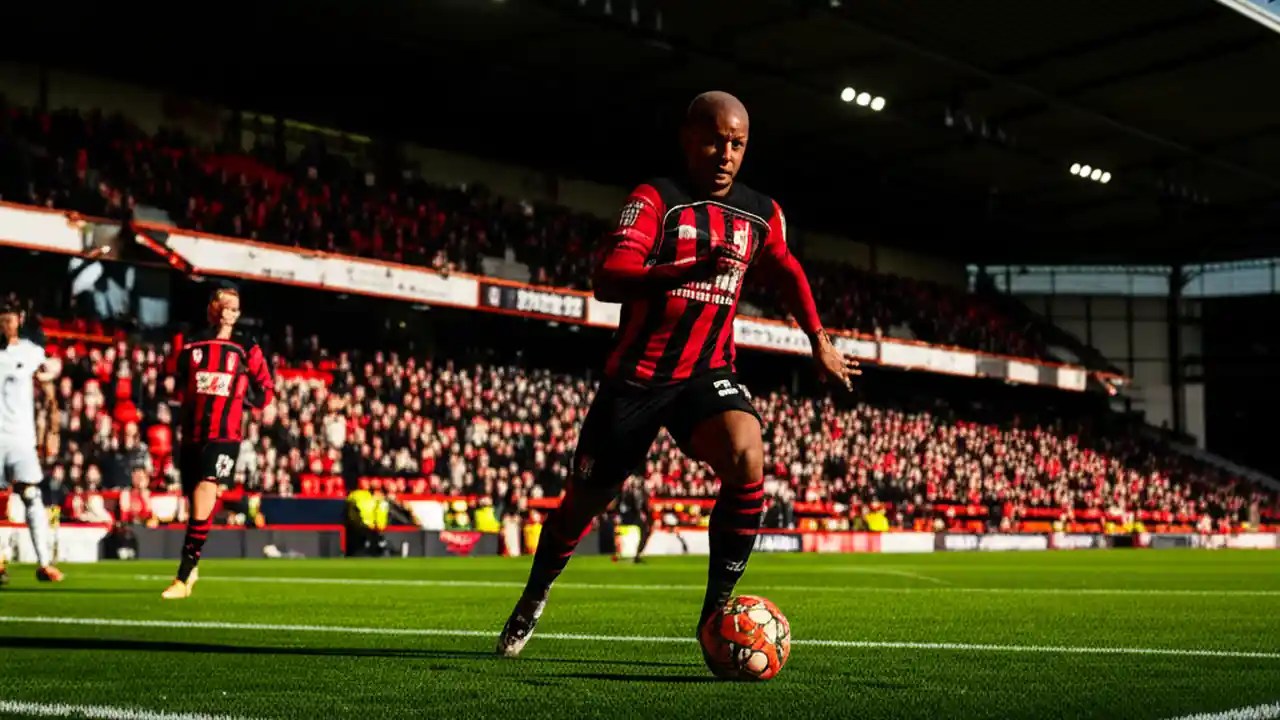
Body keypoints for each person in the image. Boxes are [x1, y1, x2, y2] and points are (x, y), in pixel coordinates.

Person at [497, 91, 860, 656]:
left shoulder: (761, 213)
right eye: (715, 141)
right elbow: (609, 279)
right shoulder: (656, 200)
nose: (726, 154)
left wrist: (819, 340)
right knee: (580, 508)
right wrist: (688, 268)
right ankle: (534, 596)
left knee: (747, 453)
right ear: (688, 138)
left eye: (737, 144)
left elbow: (787, 270)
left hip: (706, 372)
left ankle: (716, 614)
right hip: (635, 381)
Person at [161, 287, 274, 599]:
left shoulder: (246, 345)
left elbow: (265, 387)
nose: (230, 312)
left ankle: (184, 573)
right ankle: (193, 565)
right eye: (225, 306)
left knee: (206, 488)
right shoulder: (192, 344)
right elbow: (175, 381)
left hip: (224, 433)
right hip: (192, 432)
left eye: (235, 308)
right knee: (195, 500)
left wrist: (244, 402)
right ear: (213, 308)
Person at [0, 300, 64, 585]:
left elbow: (49, 393)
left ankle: (45, 563)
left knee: (31, 494)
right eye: (2, 319)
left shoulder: (30, 352)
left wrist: (53, 431)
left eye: (10, 319)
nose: (6, 324)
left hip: (20, 440)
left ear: (20, 320)